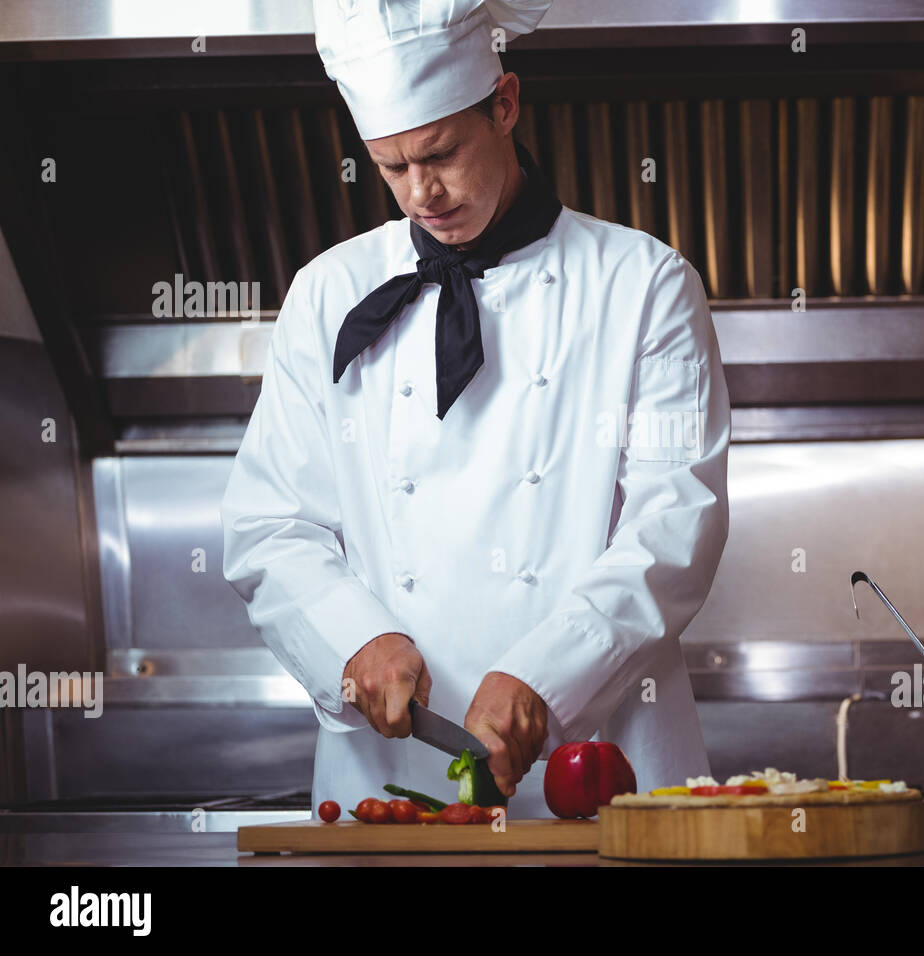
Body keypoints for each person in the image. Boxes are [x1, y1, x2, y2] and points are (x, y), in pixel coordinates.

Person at [220, 0, 730, 817]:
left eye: (441, 153)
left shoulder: (644, 284)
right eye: (390, 168)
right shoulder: (326, 296)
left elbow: (675, 521)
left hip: (599, 760)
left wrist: (547, 670)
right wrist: (355, 639)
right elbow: (270, 526)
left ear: (505, 104)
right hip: (390, 772)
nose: (422, 193)